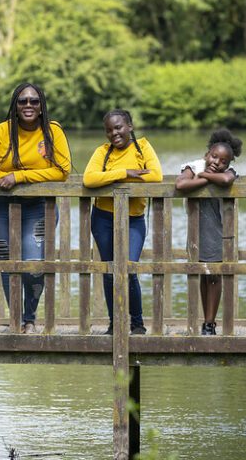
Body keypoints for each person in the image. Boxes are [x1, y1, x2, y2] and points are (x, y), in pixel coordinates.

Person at [0, 83, 71, 333]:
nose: (28, 106)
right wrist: (5, 178)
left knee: (33, 263)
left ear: (42, 107)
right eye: (23, 101)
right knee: (7, 260)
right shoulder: (2, 131)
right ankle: (17, 320)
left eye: (34, 101)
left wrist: (18, 177)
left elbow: (62, 171)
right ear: (15, 106)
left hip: (38, 207)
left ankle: (30, 317)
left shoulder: (53, 131)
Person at [83, 109, 162, 335]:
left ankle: (137, 323)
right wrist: (125, 173)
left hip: (133, 219)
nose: (113, 133)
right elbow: (90, 178)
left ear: (130, 126)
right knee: (109, 271)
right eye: (109, 130)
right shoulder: (102, 151)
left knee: (129, 269)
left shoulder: (142, 147)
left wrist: (112, 177)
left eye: (118, 127)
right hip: (103, 217)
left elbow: (155, 175)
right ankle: (114, 323)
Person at [175, 128, 243, 335]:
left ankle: (209, 323)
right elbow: (181, 184)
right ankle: (207, 321)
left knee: (214, 275)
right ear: (207, 154)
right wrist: (205, 176)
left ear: (229, 163)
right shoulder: (194, 165)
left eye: (223, 161)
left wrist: (204, 175)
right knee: (204, 275)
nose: (217, 162)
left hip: (218, 229)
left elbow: (225, 181)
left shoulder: (228, 172)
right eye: (214, 156)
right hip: (197, 228)